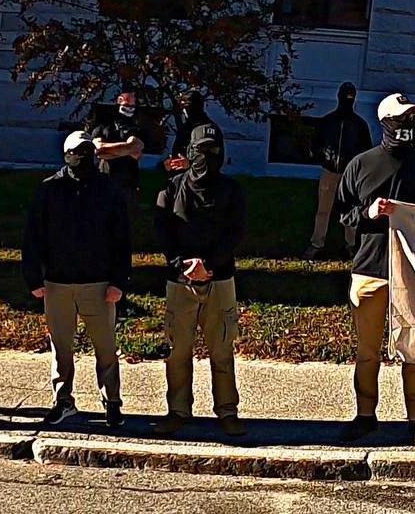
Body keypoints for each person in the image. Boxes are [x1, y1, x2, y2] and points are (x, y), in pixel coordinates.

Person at [334, 93, 415, 449]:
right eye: (403, 118)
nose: (409, 124)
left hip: (413, 273)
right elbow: (343, 212)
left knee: (414, 351)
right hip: (370, 269)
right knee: (368, 350)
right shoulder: (361, 165)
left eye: (412, 117)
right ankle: (365, 415)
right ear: (386, 122)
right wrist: (368, 213)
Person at [22, 132, 130, 428]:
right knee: (61, 347)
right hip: (57, 282)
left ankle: (112, 402)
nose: (82, 158)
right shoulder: (49, 190)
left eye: (87, 152)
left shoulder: (108, 190)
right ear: (66, 155)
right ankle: (63, 400)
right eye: (76, 152)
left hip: (99, 283)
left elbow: (122, 239)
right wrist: (34, 278)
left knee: (105, 347)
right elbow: (33, 237)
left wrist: (119, 281)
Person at [153, 123, 249, 437]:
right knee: (178, 351)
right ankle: (178, 410)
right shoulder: (171, 190)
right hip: (180, 282)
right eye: (201, 151)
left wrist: (208, 265)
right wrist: (182, 265)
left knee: (222, 350)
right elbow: (163, 233)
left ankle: (227, 411)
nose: (207, 157)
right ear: (190, 152)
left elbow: (236, 233)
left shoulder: (232, 191)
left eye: (214, 150)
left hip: (219, 280)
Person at [303, 82, 371, 259]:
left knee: (350, 210)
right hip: (330, 171)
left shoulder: (359, 124)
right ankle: (317, 243)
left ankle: (351, 244)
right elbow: (315, 145)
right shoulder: (328, 121)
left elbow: (366, 150)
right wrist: (324, 158)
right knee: (323, 209)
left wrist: (357, 169)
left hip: (350, 175)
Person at [89, 91, 146, 208]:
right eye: (126, 105)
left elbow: (136, 150)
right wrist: (126, 151)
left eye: (132, 106)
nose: (129, 109)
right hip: (103, 180)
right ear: (119, 102)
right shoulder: (103, 126)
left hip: (127, 184)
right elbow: (98, 149)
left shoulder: (137, 129)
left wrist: (107, 150)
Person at [166, 89, 221, 173]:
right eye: (183, 107)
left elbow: (212, 160)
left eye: (186, 107)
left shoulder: (207, 129)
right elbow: (177, 151)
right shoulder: (185, 128)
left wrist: (190, 164)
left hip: (201, 178)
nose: (185, 111)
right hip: (181, 176)